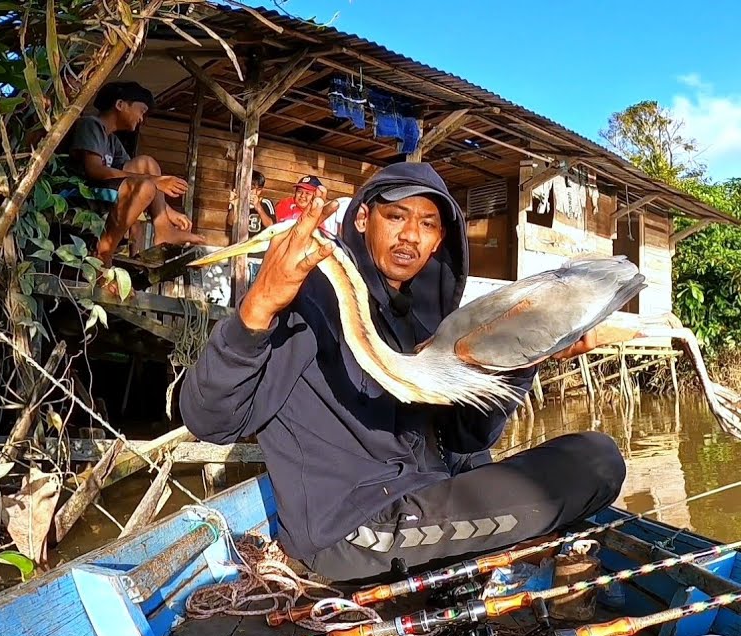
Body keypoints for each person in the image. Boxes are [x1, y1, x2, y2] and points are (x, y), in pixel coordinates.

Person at [179, 162, 625, 583]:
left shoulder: (426, 319)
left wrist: (526, 357)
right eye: (395, 216)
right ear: (362, 219)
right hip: (351, 531)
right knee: (596, 465)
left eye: (428, 224)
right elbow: (210, 421)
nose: (410, 235)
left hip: (425, 497)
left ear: (439, 240)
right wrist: (258, 307)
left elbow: (466, 439)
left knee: (589, 452)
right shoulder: (309, 303)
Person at [64, 81, 213, 267]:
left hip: (100, 190)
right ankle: (104, 250)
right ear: (120, 105)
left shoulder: (112, 141)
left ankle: (164, 228)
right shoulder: (90, 124)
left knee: (146, 163)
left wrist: (168, 212)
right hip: (79, 191)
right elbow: (94, 170)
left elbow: (132, 173)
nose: (142, 118)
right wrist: (156, 181)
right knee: (146, 185)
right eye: (141, 111)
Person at [227, 170, 276, 236]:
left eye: (259, 189)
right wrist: (234, 206)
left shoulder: (266, 202)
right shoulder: (237, 200)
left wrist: (258, 207)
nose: (255, 192)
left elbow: (272, 226)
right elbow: (230, 223)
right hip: (242, 240)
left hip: (261, 241)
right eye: (252, 188)